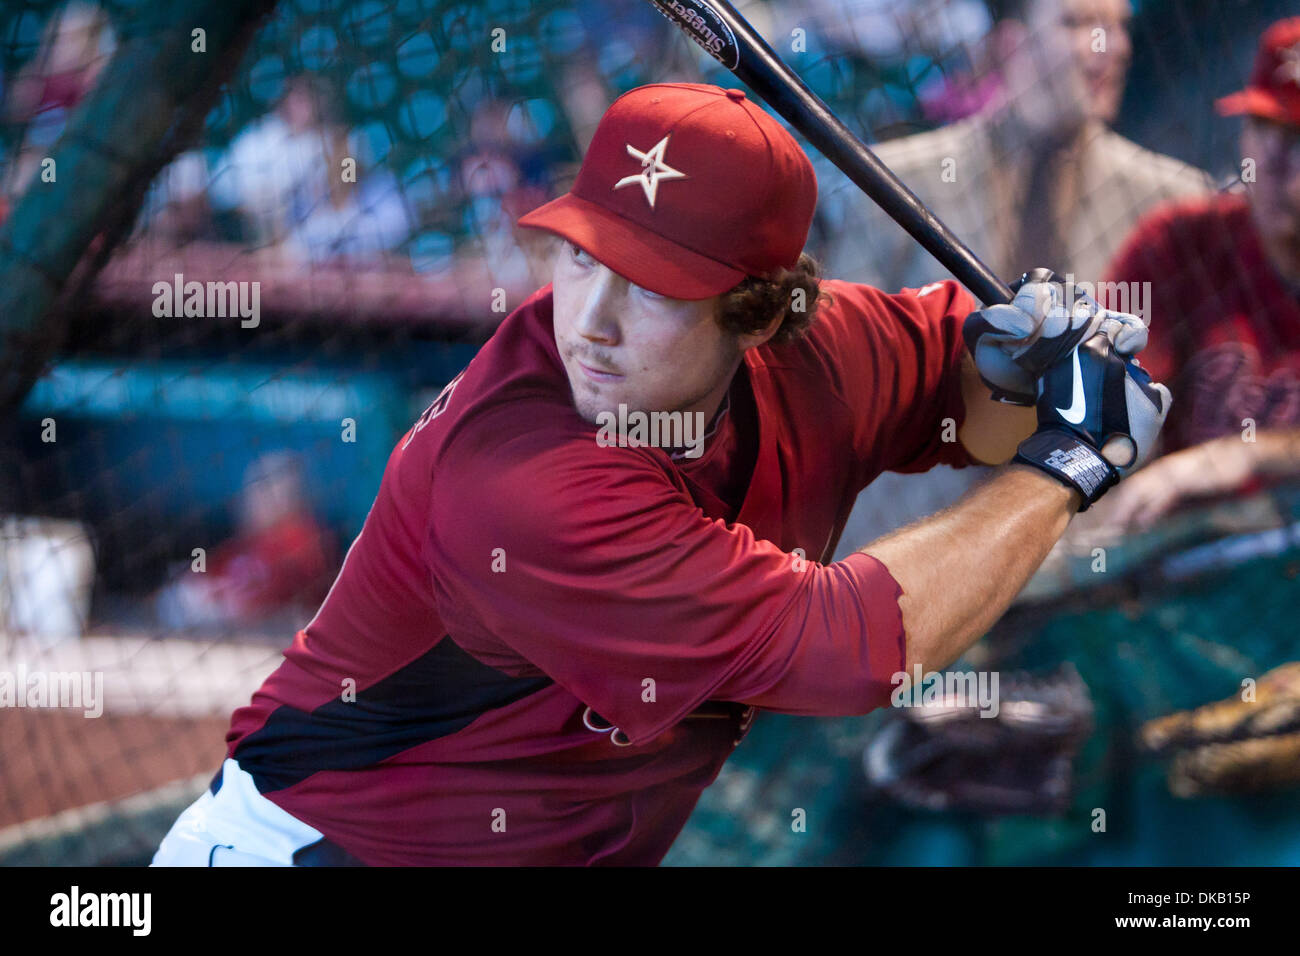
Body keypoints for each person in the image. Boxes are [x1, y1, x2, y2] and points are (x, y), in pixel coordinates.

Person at [151, 83, 1167, 866]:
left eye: (652, 286)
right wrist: (1066, 464)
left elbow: (961, 390)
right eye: (582, 256)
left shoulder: (825, 353)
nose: (588, 321)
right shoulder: (521, 480)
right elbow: (852, 648)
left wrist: (1032, 364)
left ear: (765, 314)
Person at [821, 0, 1212, 554]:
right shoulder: (895, 184)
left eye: (1121, 28)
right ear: (1009, 45)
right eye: (1080, 24)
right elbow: (840, 371)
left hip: (1079, 549)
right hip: (904, 534)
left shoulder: (1170, 200)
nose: (1113, 47)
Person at [1096, 17, 1300, 532]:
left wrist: (1248, 456)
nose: (1275, 164)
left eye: (1299, 138)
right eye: (1265, 127)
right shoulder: (1179, 243)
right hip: (1192, 567)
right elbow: (1106, 402)